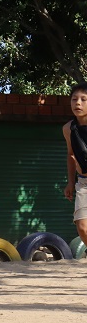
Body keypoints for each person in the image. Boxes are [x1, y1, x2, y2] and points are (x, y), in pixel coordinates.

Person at [63, 82, 87, 246]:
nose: (77, 103)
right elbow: (71, 154)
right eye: (74, 99)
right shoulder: (68, 129)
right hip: (83, 183)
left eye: (84, 99)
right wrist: (71, 182)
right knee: (82, 226)